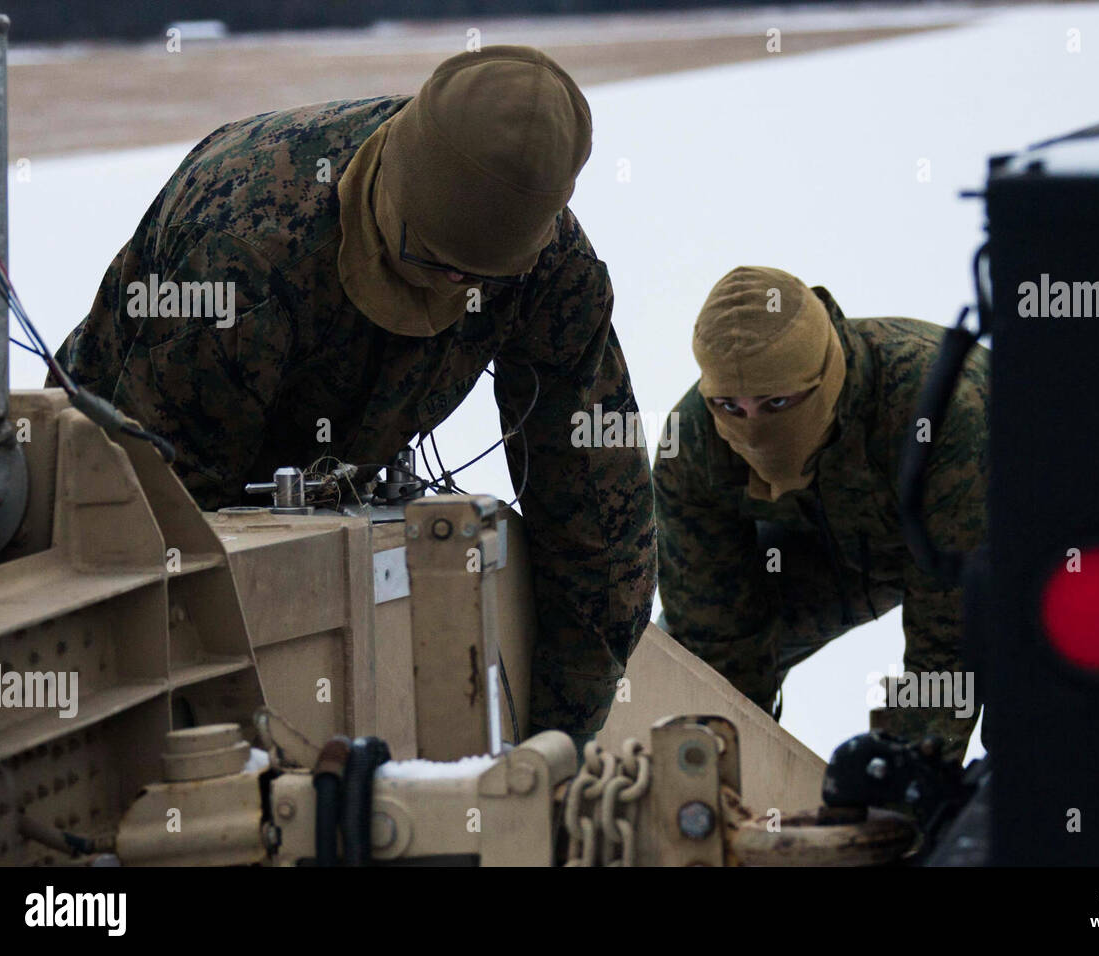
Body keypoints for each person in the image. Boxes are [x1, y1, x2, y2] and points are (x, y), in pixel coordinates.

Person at [53, 46, 656, 744]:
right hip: (117, 487)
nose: (449, 293)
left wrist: (557, 750)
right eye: (431, 263)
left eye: (476, 282)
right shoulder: (245, 244)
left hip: (318, 482)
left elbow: (597, 518)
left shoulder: (553, 267)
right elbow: (159, 525)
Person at [654, 266, 988, 761]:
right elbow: (716, 637)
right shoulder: (694, 445)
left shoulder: (942, 411)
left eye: (778, 402)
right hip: (833, 543)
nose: (753, 431)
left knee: (1031, 693)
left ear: (824, 377)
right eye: (730, 406)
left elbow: (947, 645)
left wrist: (902, 786)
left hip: (998, 533)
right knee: (682, 675)